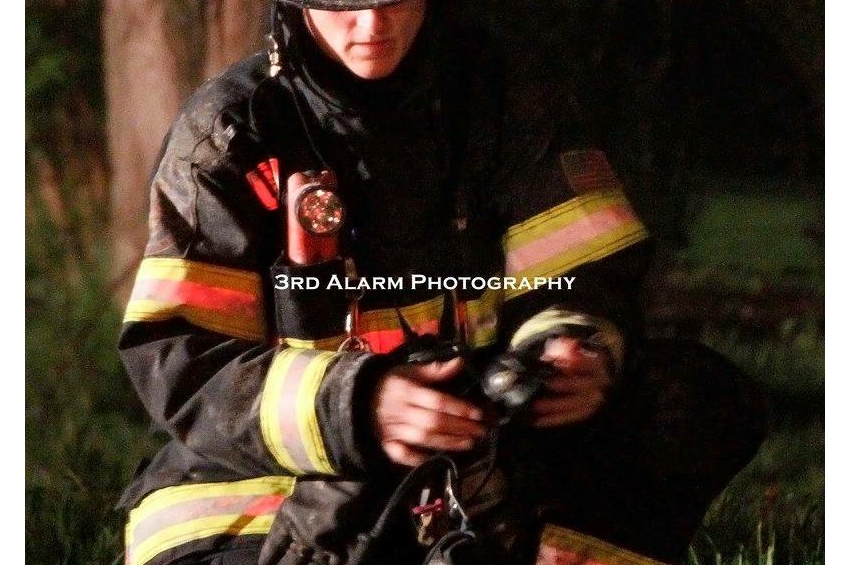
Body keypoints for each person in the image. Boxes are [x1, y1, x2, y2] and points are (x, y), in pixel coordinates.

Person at [117, 1, 766, 565]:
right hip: (266, 487)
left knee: (692, 399)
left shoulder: (508, 100)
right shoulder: (232, 134)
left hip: (477, 455)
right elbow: (186, 360)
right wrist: (355, 406)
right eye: (343, 1)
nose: (372, 24)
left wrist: (573, 344)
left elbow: (584, 266)